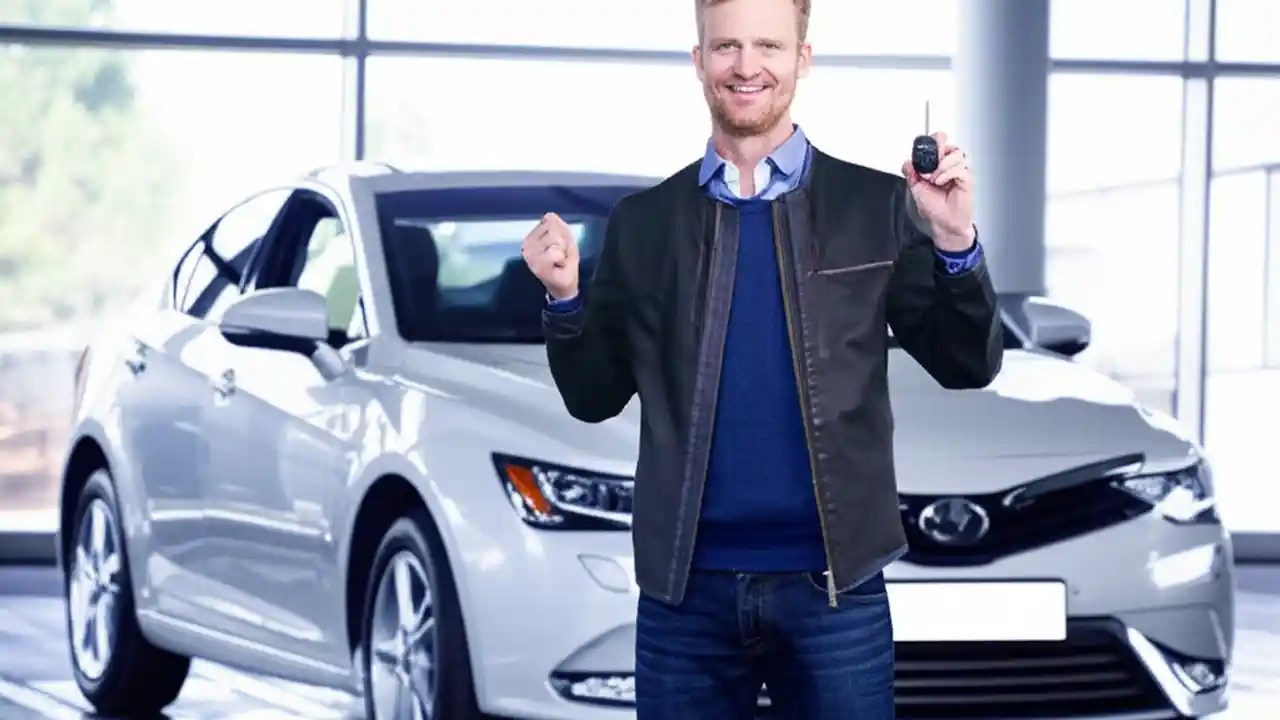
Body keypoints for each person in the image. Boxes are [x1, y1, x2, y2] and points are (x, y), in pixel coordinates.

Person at [521, 0, 1003, 716]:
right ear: (699, 61)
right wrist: (564, 299)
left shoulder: (878, 206)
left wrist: (956, 244)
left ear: (802, 60)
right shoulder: (644, 224)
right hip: (685, 593)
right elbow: (593, 397)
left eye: (769, 47)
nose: (747, 67)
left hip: (834, 587)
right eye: (727, 48)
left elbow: (967, 363)